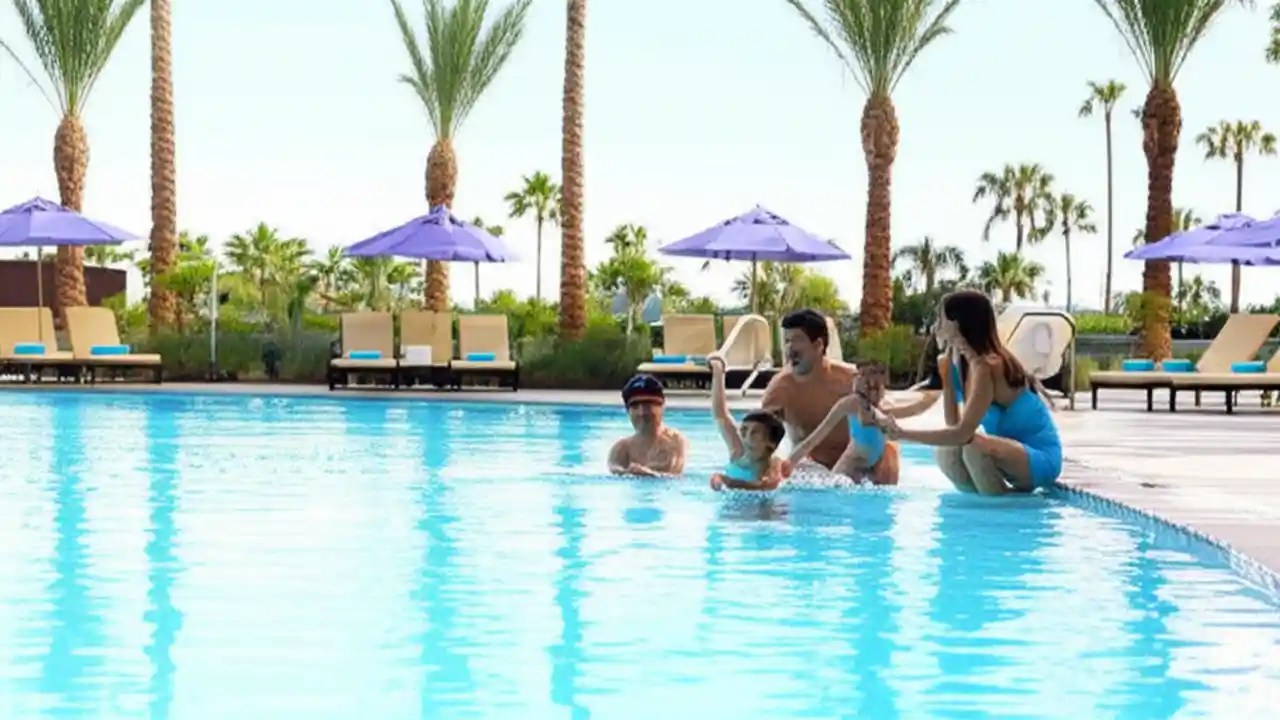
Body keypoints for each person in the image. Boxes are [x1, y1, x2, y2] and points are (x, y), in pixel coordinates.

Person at [875, 290, 1063, 495]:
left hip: (1040, 459)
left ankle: (1003, 511)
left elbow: (962, 433)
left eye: (941, 318)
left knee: (973, 447)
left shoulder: (989, 366)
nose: (936, 326)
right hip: (1011, 454)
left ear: (956, 324)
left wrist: (902, 433)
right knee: (947, 453)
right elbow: (953, 424)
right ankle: (981, 511)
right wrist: (947, 378)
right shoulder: (963, 364)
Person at [786, 360, 938, 485]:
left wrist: (938, 390)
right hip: (847, 472)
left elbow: (914, 409)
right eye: (861, 375)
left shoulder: (886, 404)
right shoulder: (852, 403)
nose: (866, 379)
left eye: (871, 373)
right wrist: (788, 464)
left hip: (870, 472)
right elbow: (814, 439)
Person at [760, 309, 857, 471]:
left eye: (797, 340)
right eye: (787, 341)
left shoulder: (849, 379)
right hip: (810, 469)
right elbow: (757, 437)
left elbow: (883, 419)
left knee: (887, 453)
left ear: (818, 345)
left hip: (855, 463)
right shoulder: (781, 389)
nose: (790, 347)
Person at [706, 355, 791, 491]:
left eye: (755, 433)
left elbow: (767, 485)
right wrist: (718, 372)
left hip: (763, 509)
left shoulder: (773, 463)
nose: (746, 437)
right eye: (744, 430)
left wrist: (728, 481)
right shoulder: (738, 452)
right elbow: (720, 415)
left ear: (771, 444)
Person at [607, 374, 688, 477]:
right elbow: (613, 471)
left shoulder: (675, 442)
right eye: (635, 407)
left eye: (648, 405)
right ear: (628, 411)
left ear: (662, 407)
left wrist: (647, 474)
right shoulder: (621, 449)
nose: (642, 413)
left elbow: (674, 475)